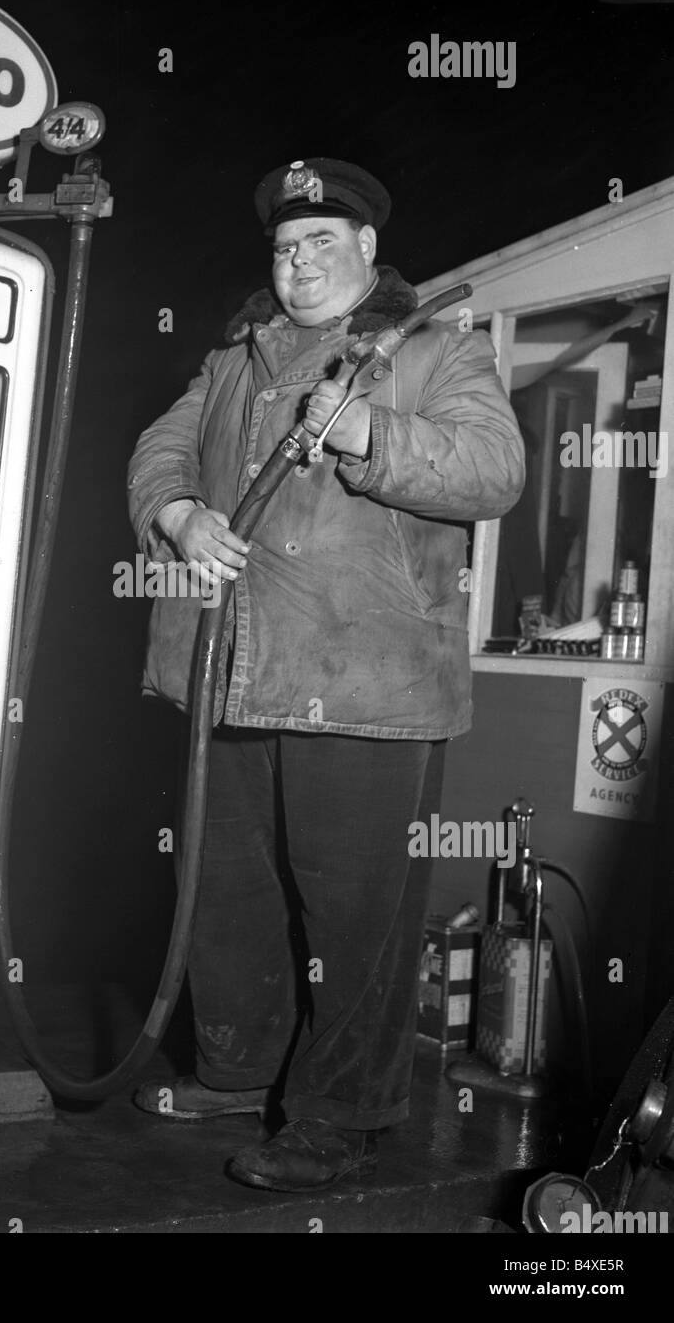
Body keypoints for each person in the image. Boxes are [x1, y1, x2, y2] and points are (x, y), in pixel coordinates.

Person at [126, 157, 525, 1191]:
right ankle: (234, 1070)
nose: (297, 262)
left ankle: (340, 1112)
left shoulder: (434, 350)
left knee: (355, 921)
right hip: (229, 672)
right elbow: (157, 450)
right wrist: (177, 514)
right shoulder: (234, 356)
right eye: (282, 245)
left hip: (366, 684)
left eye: (319, 243)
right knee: (224, 895)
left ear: (365, 251)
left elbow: (494, 472)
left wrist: (368, 432)